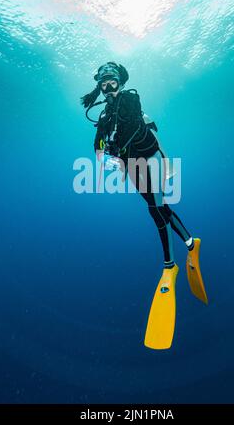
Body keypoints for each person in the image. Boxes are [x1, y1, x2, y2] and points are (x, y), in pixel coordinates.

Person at [81, 62, 208, 349]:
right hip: (132, 166)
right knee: (156, 209)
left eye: (112, 82)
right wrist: (104, 156)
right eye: (104, 83)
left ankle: (169, 265)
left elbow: (129, 127)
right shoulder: (102, 115)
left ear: (121, 82)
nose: (108, 87)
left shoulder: (130, 98)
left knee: (156, 207)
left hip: (150, 159)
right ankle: (191, 243)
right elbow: (97, 145)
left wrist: (116, 150)